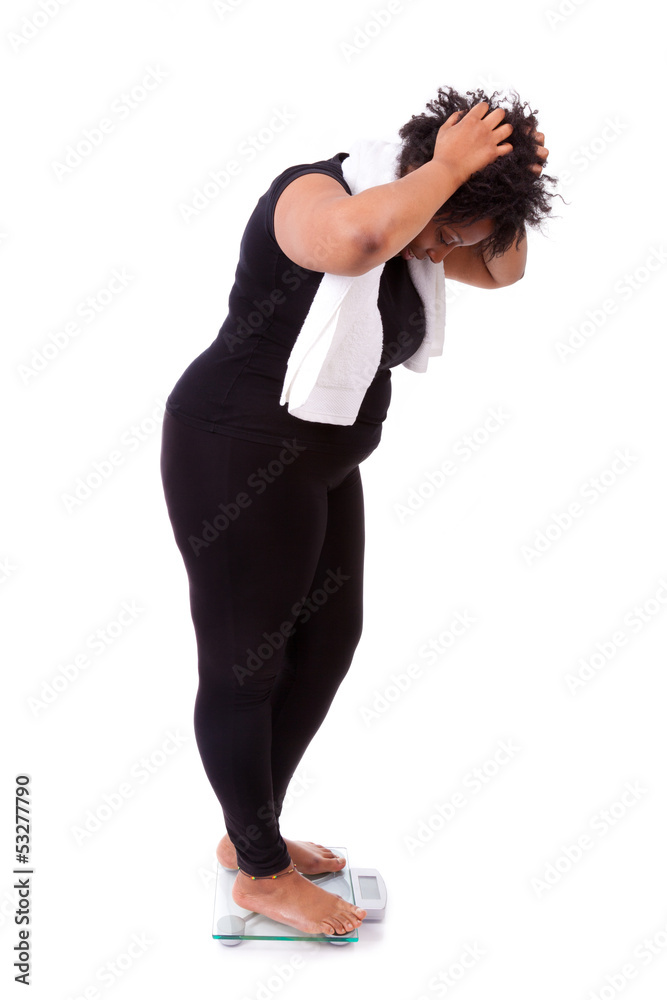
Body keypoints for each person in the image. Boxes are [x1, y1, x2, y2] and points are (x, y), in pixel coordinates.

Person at [159, 85, 556, 937]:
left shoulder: (423, 223)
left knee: (328, 642)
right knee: (245, 666)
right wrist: (448, 169)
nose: (442, 252)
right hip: (237, 451)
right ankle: (262, 875)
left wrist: (507, 180)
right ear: (421, 173)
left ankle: (251, 832)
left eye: (455, 237)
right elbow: (355, 242)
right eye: (444, 232)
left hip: (323, 460)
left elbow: (502, 269)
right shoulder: (319, 193)